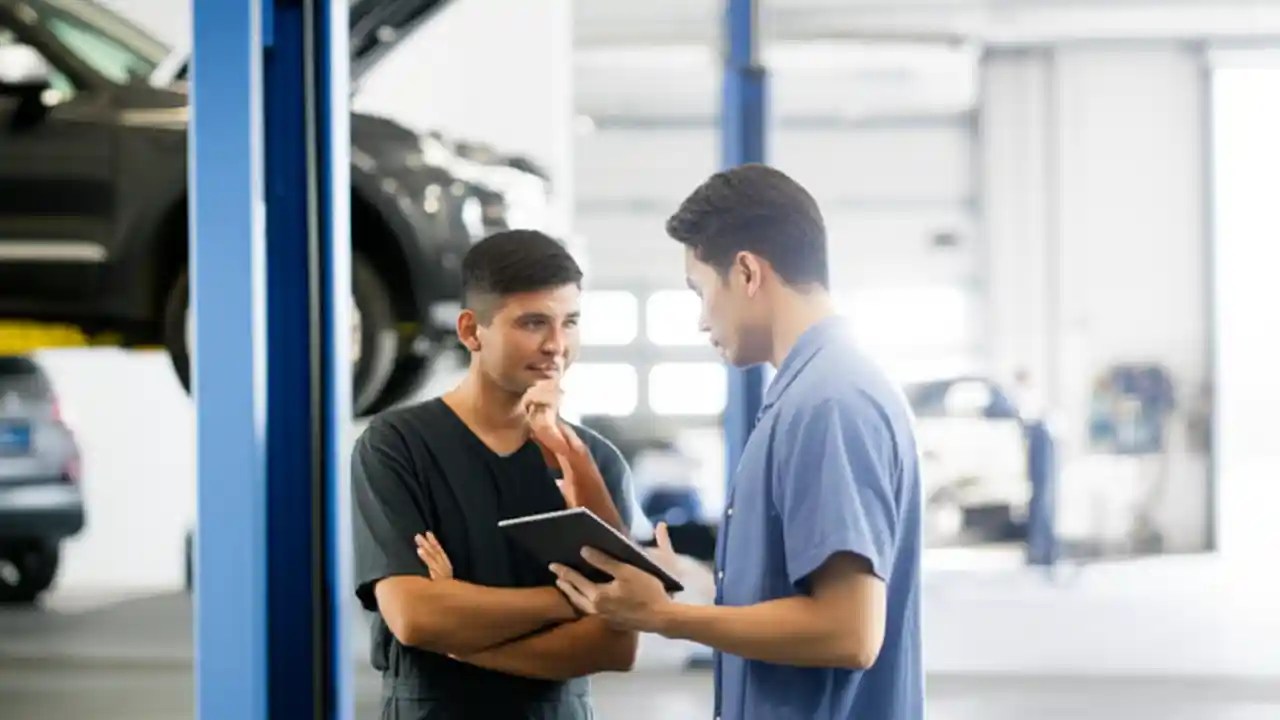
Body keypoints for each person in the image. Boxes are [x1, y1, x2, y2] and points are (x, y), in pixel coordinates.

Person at [553, 164, 925, 720]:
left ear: (748, 272)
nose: (702, 320)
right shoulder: (809, 392)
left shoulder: (830, 401)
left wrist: (665, 618)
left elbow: (849, 632)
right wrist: (695, 585)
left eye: (700, 290)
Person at [351, 229, 639, 719]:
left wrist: (464, 639)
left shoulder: (595, 461)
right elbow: (416, 616)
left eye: (569, 322)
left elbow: (615, 643)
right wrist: (571, 601)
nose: (556, 345)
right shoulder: (397, 446)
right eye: (533, 323)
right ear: (470, 331)